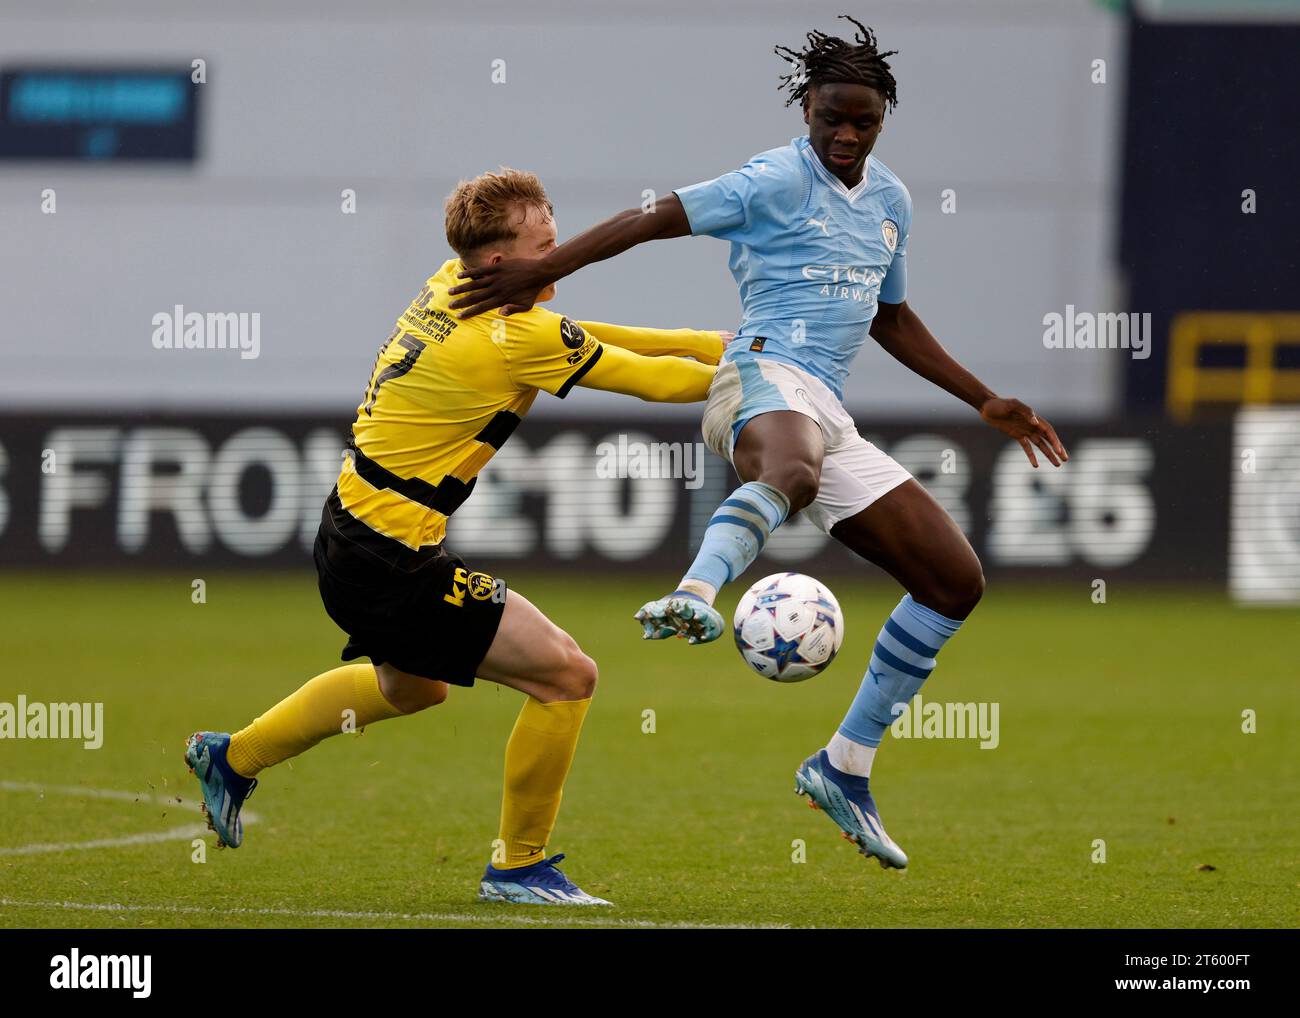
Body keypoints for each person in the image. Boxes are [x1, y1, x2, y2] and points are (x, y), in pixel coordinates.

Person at [447, 19, 1068, 870]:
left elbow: (890, 316)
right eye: (830, 119)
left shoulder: (891, 201)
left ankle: (844, 766)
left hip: (826, 407)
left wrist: (984, 396)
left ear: (883, 118)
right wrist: (531, 276)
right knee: (794, 471)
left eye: (863, 121)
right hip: (760, 374)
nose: (845, 135)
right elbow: (651, 217)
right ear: (805, 111)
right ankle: (696, 592)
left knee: (954, 581)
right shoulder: (771, 179)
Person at [185, 168, 726, 905]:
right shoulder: (513, 336)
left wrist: (705, 341)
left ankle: (234, 757)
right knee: (568, 675)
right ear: (502, 262)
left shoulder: (453, 282)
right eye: (546, 245)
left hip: (354, 530)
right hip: (391, 558)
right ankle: (519, 867)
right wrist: (758, 366)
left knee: (413, 687)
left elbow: (577, 336)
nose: (559, 257)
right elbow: (655, 383)